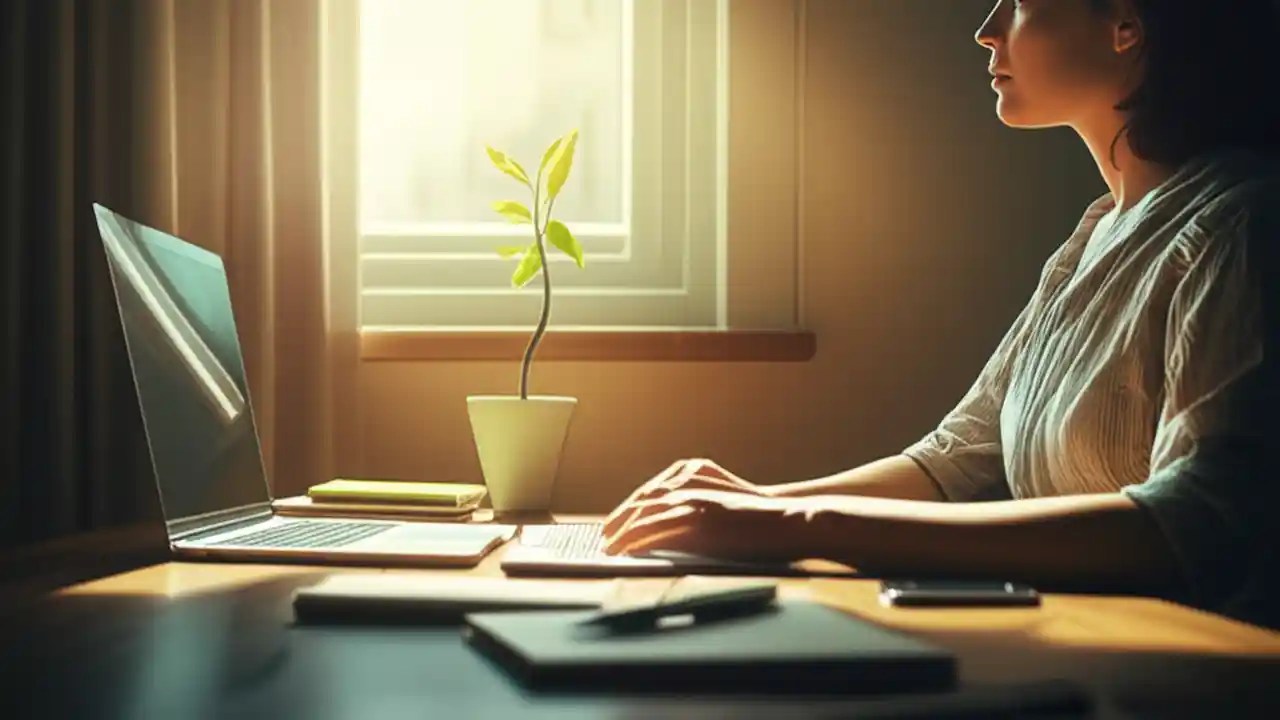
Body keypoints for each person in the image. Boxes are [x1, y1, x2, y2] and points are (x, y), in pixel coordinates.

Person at [602, 0, 1280, 629]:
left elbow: (1197, 523)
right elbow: (958, 462)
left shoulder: (1239, 228)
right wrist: (757, 504)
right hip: (1083, 643)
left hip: (1192, 673)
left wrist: (802, 523)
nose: (988, 28)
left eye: (1017, 2)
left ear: (1125, 26)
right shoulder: (1098, 233)